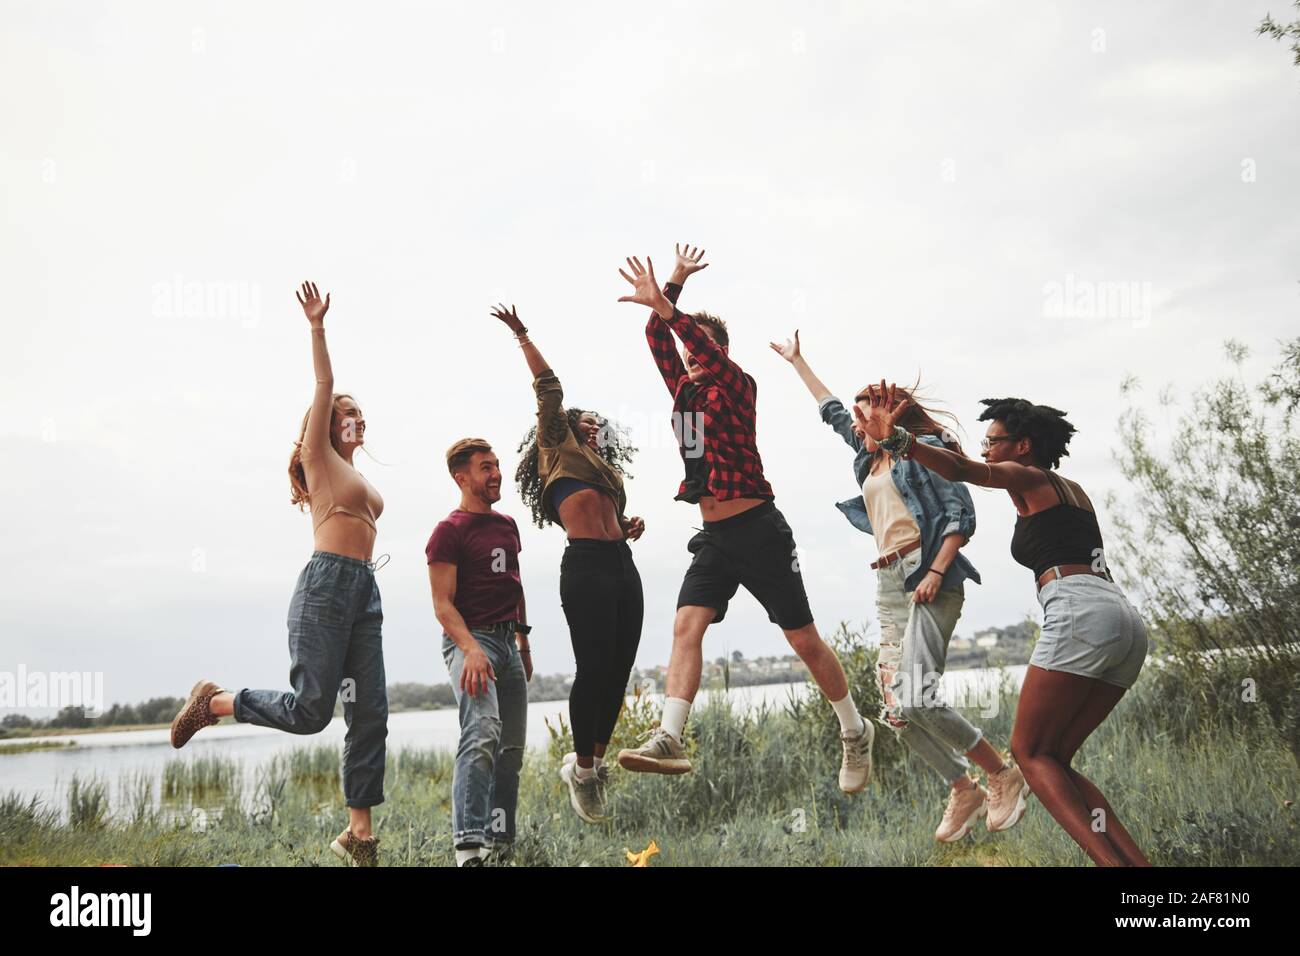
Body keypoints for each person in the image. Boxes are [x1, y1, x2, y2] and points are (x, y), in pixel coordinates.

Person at [613, 247, 874, 793]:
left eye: (698, 350)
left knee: (803, 639)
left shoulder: (738, 385)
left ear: (718, 352)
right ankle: (670, 737)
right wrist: (672, 284)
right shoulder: (684, 389)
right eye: (687, 353)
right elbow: (660, 336)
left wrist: (671, 309)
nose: (689, 358)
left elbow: (687, 337)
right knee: (686, 625)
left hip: (759, 531)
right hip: (715, 537)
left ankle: (854, 729)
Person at [859, 384, 1150, 866]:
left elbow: (961, 470)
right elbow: (963, 465)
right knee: (1053, 760)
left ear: (1023, 446)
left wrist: (900, 441)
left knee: (1028, 754)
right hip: (1122, 619)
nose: (986, 450)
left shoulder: (1026, 475)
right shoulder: (1073, 492)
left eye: (993, 441)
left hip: (1077, 610)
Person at [771, 332, 1029, 841]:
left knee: (917, 698)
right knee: (898, 712)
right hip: (888, 584)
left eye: (866, 417)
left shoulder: (924, 451)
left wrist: (935, 571)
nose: (858, 425)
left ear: (891, 417)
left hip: (928, 575)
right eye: (857, 419)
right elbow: (830, 412)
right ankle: (964, 787)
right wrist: (798, 362)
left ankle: (1001, 773)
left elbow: (960, 516)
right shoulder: (869, 456)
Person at [170, 280, 388, 867]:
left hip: (364, 590)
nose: (356, 418)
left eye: (359, 412)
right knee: (312, 712)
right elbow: (323, 383)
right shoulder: (319, 461)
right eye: (346, 413)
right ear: (325, 425)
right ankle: (216, 701)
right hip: (326, 587)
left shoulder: (361, 479)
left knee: (370, 713)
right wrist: (317, 326)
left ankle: (359, 835)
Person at [492, 304, 645, 824]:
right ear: (569, 424)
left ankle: (594, 766)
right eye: (589, 420)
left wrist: (627, 525)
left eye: (599, 423)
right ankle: (581, 769)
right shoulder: (556, 445)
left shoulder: (605, 469)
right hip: (586, 568)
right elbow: (548, 388)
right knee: (594, 667)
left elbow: (609, 517)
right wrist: (522, 334)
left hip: (621, 563)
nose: (595, 425)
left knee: (620, 669)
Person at [426, 438, 530, 867]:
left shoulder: (508, 526)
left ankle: (500, 842)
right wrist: (470, 649)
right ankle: (468, 847)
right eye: (486, 467)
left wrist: (523, 642)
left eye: (497, 465)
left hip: (507, 644)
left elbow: (515, 586)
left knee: (511, 750)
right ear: (461, 477)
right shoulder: (448, 531)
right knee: (482, 730)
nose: (496, 474)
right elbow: (442, 604)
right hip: (471, 642)